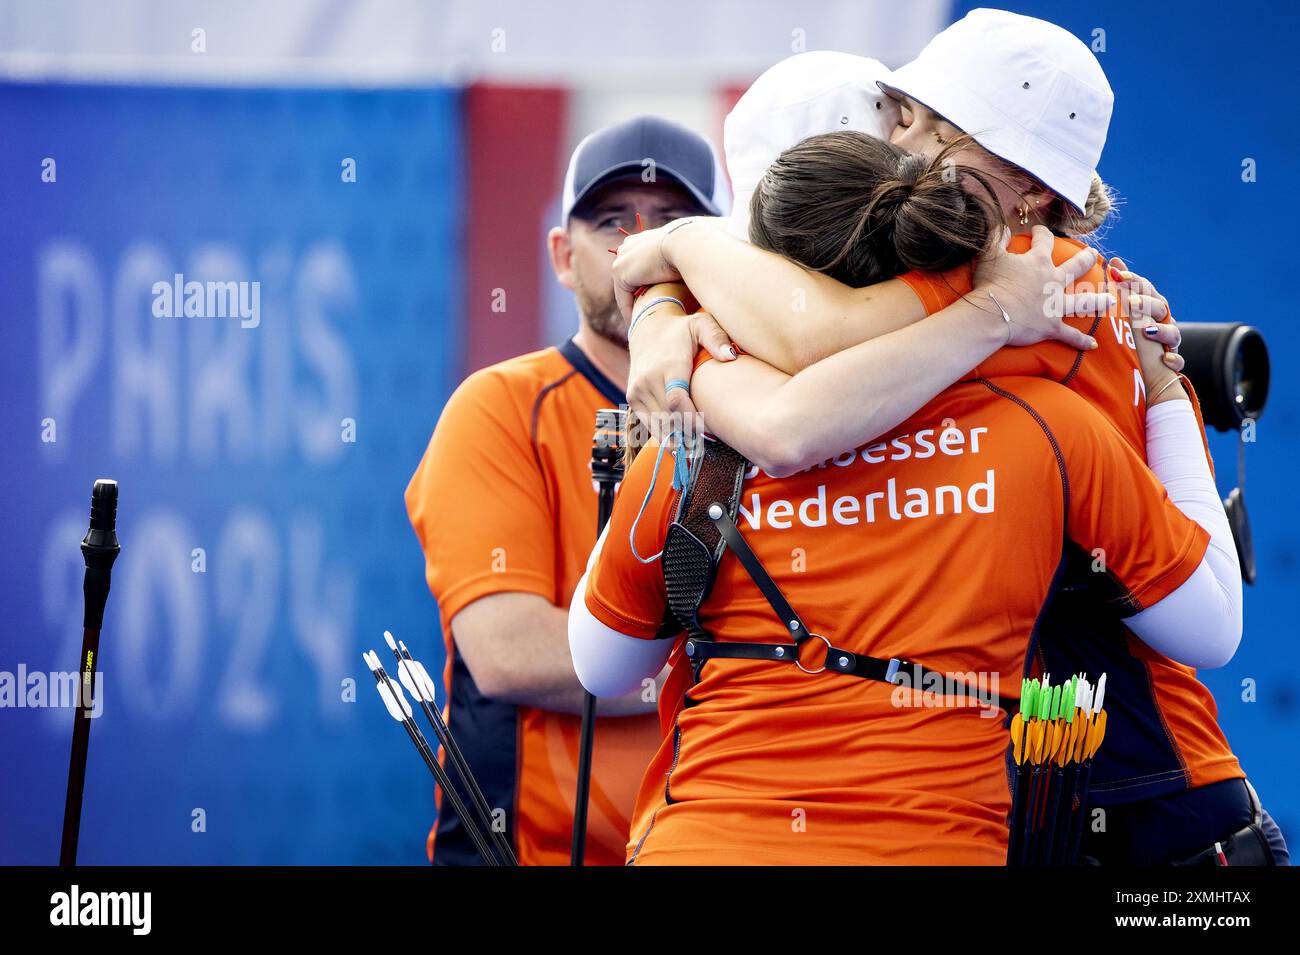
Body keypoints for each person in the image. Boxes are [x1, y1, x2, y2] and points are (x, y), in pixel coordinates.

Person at [609, 15, 1286, 864]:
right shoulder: (1059, 288)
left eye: (932, 128)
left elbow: (802, 371)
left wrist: (677, 278)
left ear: (1029, 189)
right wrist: (670, 301)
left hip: (1134, 793)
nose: (901, 146)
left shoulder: (1010, 282)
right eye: (900, 116)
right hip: (1071, 796)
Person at [404, 115, 729, 865]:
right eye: (613, 221)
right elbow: (509, 652)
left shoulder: (761, 411)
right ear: (561, 253)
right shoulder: (500, 406)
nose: (639, 246)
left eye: (675, 223)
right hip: (535, 849)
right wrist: (729, 669)